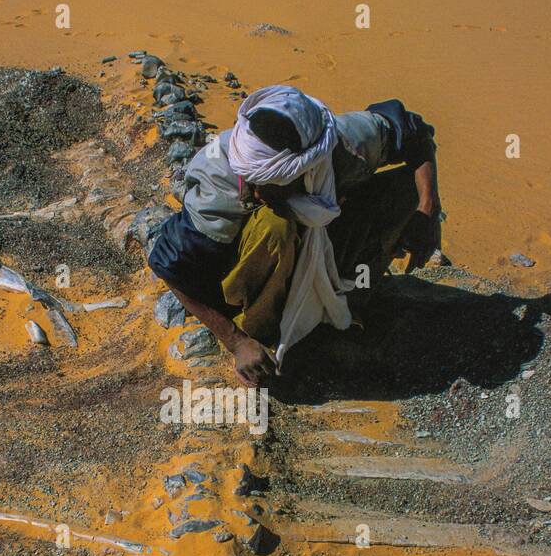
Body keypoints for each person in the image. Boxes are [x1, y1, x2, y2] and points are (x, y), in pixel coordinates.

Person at [147, 84, 442, 386]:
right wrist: (235, 341)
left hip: (320, 237)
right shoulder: (218, 188)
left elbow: (416, 133)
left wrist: (428, 211)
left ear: (307, 169)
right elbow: (167, 265)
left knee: (406, 190)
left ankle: (349, 298)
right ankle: (265, 329)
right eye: (250, 180)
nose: (254, 191)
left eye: (269, 182)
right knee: (275, 225)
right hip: (248, 277)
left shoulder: (344, 145)